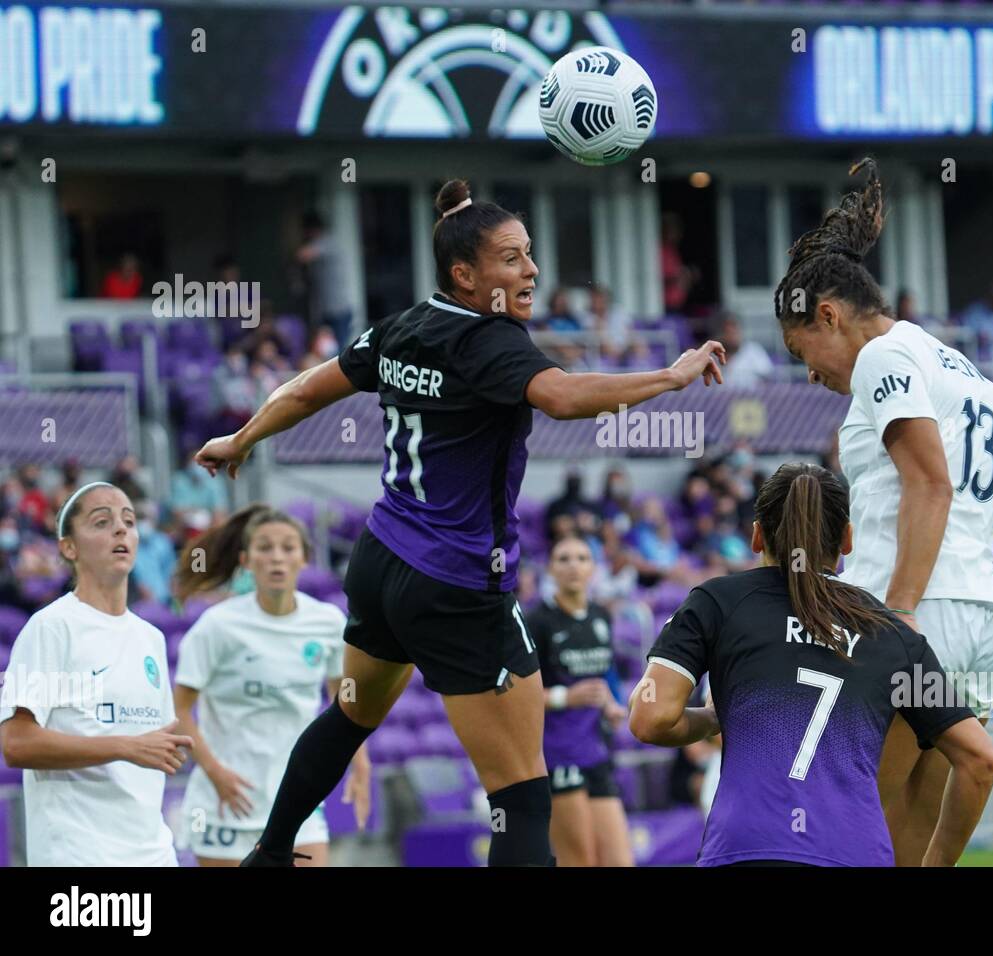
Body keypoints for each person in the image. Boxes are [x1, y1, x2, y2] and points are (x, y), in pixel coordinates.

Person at [194, 178, 726, 867]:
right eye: (511, 258)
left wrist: (242, 439)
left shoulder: (399, 328)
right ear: (464, 274)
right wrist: (669, 378)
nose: (531, 270)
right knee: (522, 795)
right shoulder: (490, 343)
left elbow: (301, 390)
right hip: (457, 583)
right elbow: (563, 398)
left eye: (529, 254)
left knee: (350, 715)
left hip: (382, 563)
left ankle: (270, 851)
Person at [775, 158, 993, 866]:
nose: (807, 370)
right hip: (980, 626)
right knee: (907, 829)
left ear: (829, 314)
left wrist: (900, 614)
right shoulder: (971, 374)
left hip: (912, 614)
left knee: (841, 813)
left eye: (799, 347)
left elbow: (928, 481)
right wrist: (991, 615)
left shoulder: (882, 359)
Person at [629, 463, 993, 866]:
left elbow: (650, 718)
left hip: (745, 847)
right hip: (854, 852)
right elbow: (979, 760)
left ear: (756, 535)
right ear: (847, 539)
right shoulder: (894, 636)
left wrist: (711, 719)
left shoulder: (716, 603)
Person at [0, 483, 192, 865]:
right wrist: (124, 746)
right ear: (69, 547)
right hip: (79, 857)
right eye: (101, 522)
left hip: (154, 855)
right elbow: (16, 744)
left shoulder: (151, 638)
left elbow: (158, 746)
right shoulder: (51, 628)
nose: (121, 530)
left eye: (129, 521)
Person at [171, 505, 369, 866]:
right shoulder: (217, 626)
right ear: (246, 560)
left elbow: (346, 703)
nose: (276, 557)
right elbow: (179, 709)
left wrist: (361, 763)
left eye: (288, 547)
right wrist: (215, 773)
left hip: (298, 801)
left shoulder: (326, 622)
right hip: (227, 803)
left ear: (304, 558)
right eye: (265, 548)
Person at [527, 536, 632, 867]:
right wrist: (565, 697)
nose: (573, 565)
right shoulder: (537, 623)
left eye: (582, 558)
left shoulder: (601, 615)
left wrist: (612, 704)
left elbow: (606, 672)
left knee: (619, 860)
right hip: (558, 754)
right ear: (550, 569)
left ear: (594, 568)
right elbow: (515, 694)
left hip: (596, 750)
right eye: (563, 558)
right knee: (579, 861)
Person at [296, 212, 354, 348]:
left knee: (340, 351)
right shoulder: (319, 243)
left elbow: (303, 255)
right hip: (324, 310)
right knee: (323, 350)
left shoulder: (327, 242)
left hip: (338, 309)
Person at [717, 313, 774, 389]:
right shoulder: (715, 356)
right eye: (728, 332)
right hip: (722, 399)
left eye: (734, 331)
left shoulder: (753, 350)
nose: (732, 336)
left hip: (751, 398)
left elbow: (767, 377)